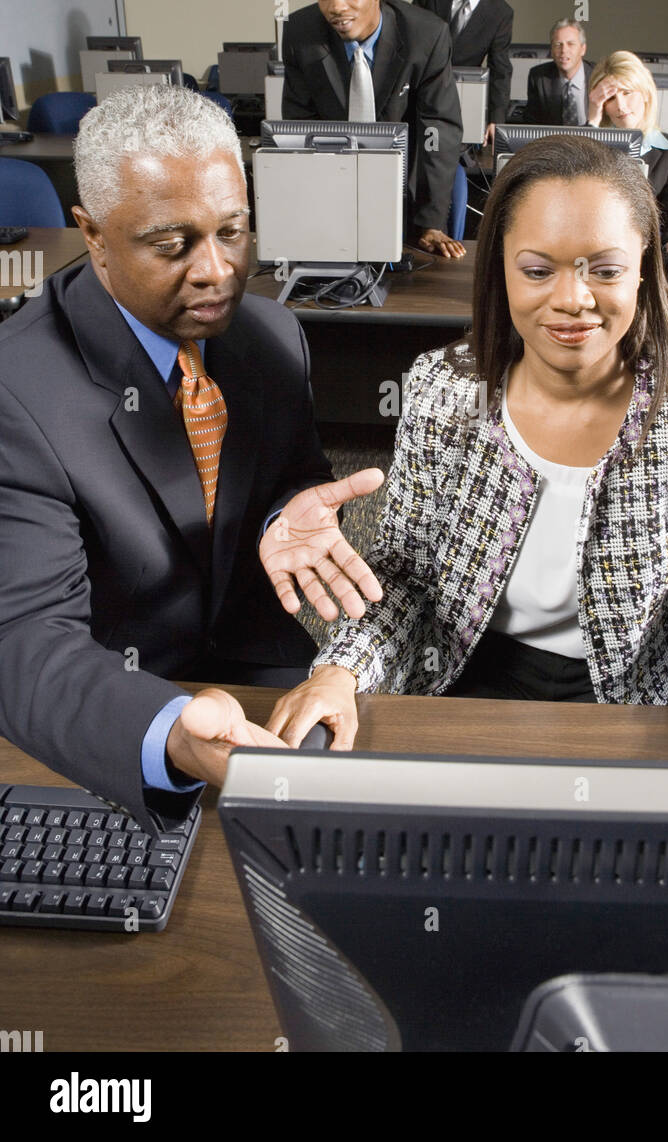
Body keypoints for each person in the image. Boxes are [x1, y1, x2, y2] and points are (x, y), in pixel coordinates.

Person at [267, 134, 668, 766]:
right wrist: (341, 671)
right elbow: (404, 577)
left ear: (642, 265)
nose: (573, 299)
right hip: (467, 675)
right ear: (500, 267)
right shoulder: (443, 391)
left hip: (642, 695)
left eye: (604, 270)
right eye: (538, 269)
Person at [0, 85, 385, 834]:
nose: (216, 271)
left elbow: (290, 473)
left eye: (233, 232)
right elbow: (23, 638)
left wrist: (285, 511)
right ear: (94, 234)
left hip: (259, 665)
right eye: (173, 245)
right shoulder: (16, 392)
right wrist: (168, 729)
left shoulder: (272, 337)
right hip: (110, 700)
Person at [282, 0, 465, 259]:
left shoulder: (426, 35)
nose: (335, 6)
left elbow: (439, 131)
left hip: (403, 190)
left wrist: (431, 223)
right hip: (330, 189)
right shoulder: (301, 33)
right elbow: (300, 129)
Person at [587, 50, 668, 268]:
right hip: (590, 254)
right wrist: (592, 124)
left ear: (645, 93)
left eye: (627, 92)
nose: (621, 106)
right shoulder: (590, 144)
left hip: (643, 259)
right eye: (610, 98)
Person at [413, 0, 514, 148]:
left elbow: (500, 70)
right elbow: (411, 39)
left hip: (461, 100)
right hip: (420, 92)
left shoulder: (500, 13)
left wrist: (496, 119)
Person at [525, 19, 593, 127]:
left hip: (592, 142)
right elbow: (532, 124)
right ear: (551, 50)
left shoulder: (599, 75)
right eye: (558, 44)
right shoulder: (539, 77)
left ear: (582, 49)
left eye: (571, 44)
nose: (564, 50)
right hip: (554, 143)